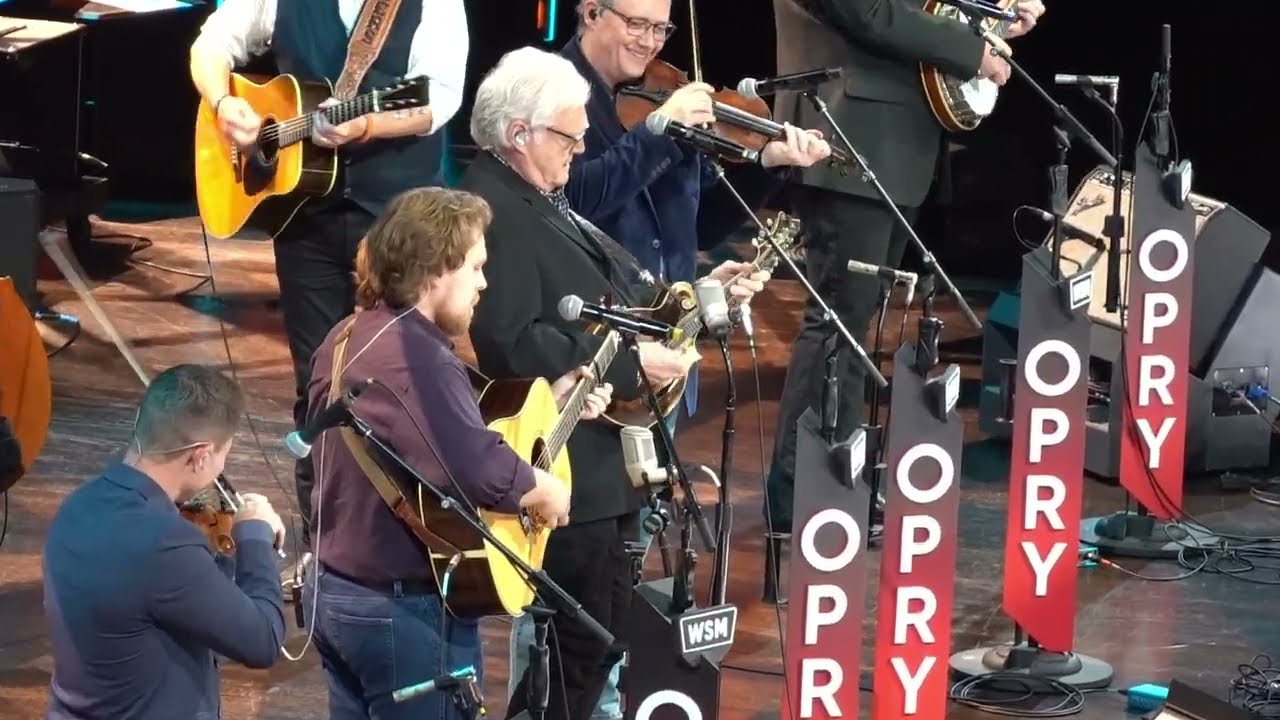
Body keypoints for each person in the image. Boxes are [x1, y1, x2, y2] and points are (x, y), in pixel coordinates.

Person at [460, 46, 766, 720]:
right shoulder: (494, 209)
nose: (579, 149)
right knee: (581, 647)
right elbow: (511, 341)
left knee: (593, 647)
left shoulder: (543, 200)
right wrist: (635, 365)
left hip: (606, 465)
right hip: (571, 466)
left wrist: (700, 297)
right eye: (569, 135)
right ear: (520, 134)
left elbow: (616, 300)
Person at [555, 4, 832, 714]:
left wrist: (767, 167)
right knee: (570, 563)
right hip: (591, 358)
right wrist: (655, 132)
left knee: (634, 546)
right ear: (590, 11)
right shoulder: (552, 87)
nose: (650, 44)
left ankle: (608, 693)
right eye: (637, 25)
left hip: (667, 352)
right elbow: (579, 196)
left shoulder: (663, 96)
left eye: (661, 31)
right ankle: (562, 698)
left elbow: (696, 218)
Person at [188, 0, 471, 588]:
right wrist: (225, 104)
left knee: (399, 382)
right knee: (317, 384)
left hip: (395, 221)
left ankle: (407, 548)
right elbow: (211, 43)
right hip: (305, 219)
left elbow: (437, 97)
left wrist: (367, 125)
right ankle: (326, 552)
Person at [302, 186, 610, 720]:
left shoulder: (346, 336)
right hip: (401, 611)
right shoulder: (423, 361)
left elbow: (430, 434)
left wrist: (550, 405)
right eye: (475, 267)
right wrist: (547, 490)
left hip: (332, 595)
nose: (484, 283)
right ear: (436, 268)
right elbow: (474, 467)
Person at [765, 0, 1045, 530]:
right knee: (836, 328)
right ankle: (804, 499)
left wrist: (990, 14)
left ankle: (836, 483)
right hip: (846, 137)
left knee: (853, 333)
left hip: (890, 143)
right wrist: (971, 50)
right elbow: (867, 11)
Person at [43, 364, 287, 720]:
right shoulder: (165, 544)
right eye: (223, 455)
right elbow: (263, 640)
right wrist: (254, 535)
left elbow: (172, 597)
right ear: (201, 455)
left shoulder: (77, 504)